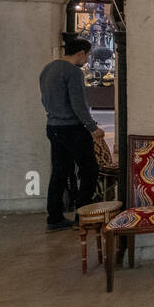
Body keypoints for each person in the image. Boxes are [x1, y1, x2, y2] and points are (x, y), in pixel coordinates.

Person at [39, 35, 104, 232]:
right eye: (87, 56)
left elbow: (45, 98)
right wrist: (93, 128)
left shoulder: (48, 69)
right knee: (89, 169)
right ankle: (82, 214)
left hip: (54, 126)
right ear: (80, 53)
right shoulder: (73, 73)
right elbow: (79, 105)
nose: (87, 60)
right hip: (72, 128)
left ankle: (55, 216)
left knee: (60, 171)